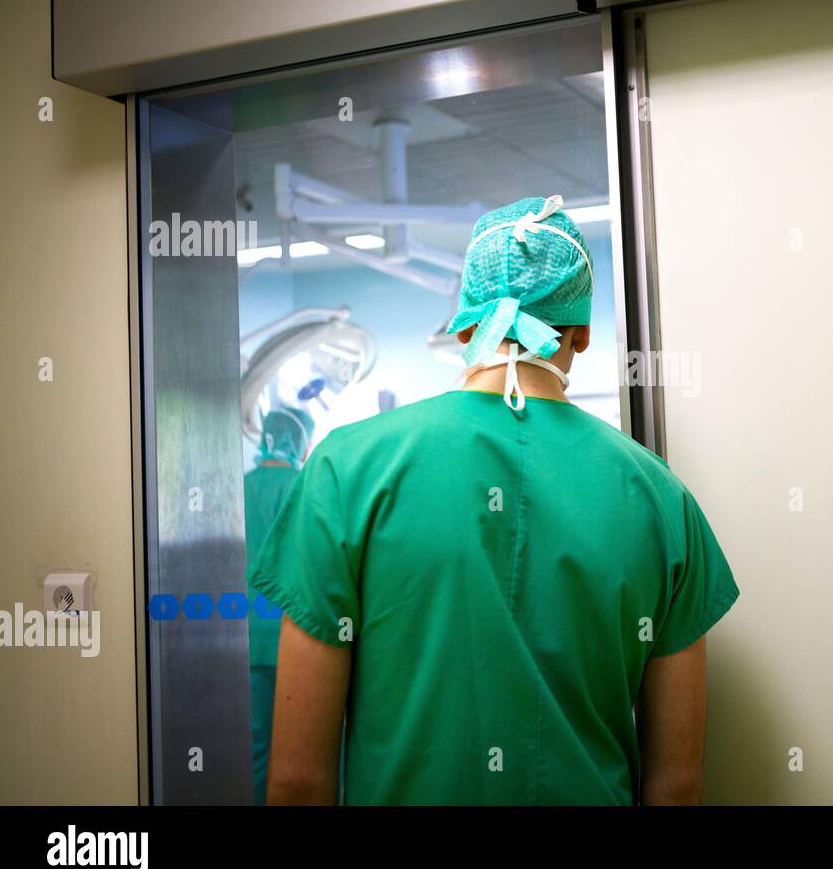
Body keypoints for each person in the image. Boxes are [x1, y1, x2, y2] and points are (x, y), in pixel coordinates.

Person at [249, 194, 739, 805]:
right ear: (582, 332)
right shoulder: (658, 496)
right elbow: (676, 786)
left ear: (463, 326)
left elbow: (297, 782)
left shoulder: (346, 469)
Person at [242, 405, 314, 806]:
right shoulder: (303, 485)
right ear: (301, 441)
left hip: (247, 635)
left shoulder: (239, 485)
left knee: (255, 745)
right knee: (300, 748)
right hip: (295, 636)